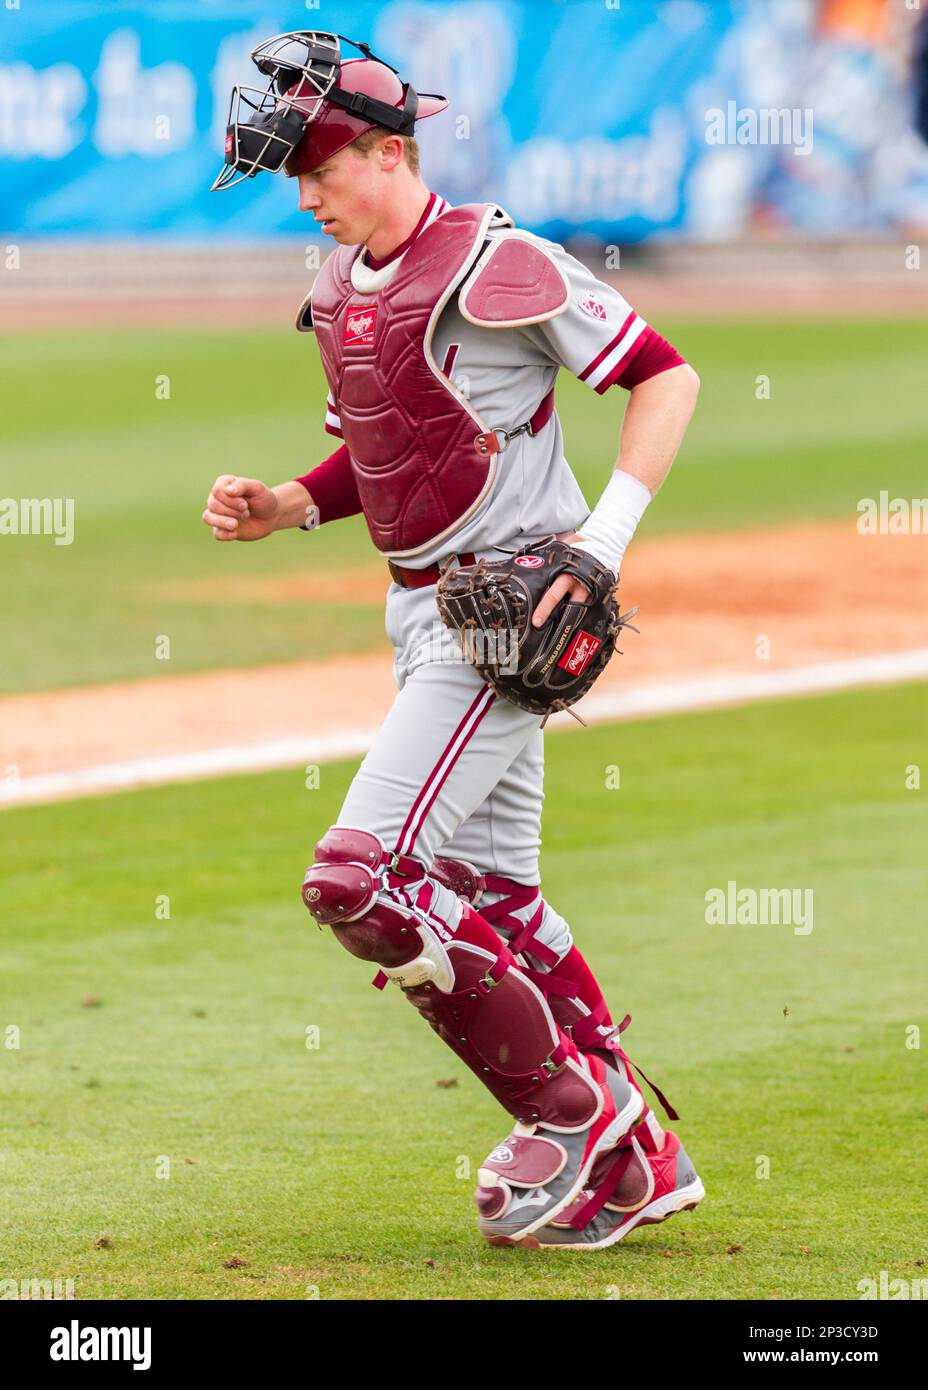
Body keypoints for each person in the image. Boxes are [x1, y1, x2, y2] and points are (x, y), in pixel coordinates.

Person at [205, 31, 703, 1249]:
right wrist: (289, 503)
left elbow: (663, 374)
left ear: (388, 151)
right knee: (497, 893)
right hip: (417, 608)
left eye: (318, 171)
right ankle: (641, 1152)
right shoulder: (340, 290)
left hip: (503, 619)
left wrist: (600, 544)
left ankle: (569, 1112)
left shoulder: (497, 261)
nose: (306, 197)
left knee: (357, 877)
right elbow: (392, 451)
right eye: (294, 179)